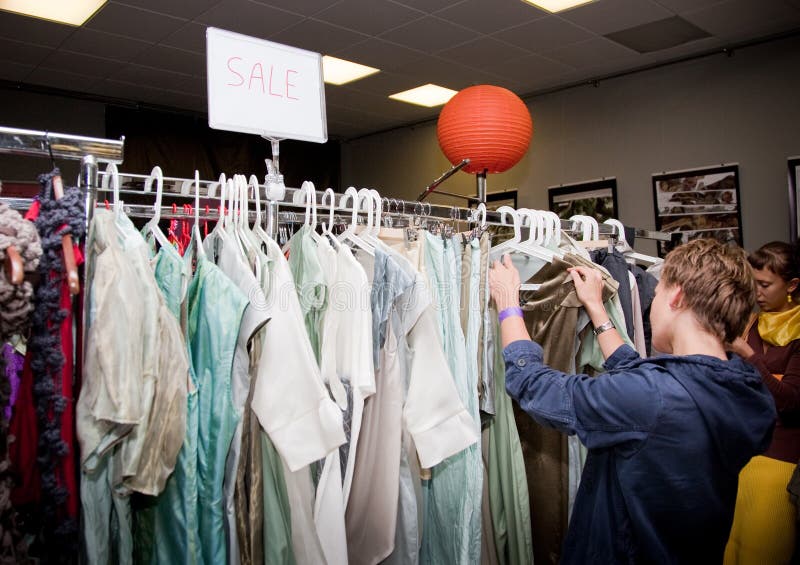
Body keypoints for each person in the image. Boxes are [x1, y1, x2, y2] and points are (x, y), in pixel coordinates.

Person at [489, 238, 776, 564]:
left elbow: (533, 385)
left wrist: (508, 304)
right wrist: (597, 309)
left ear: (677, 297)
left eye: (658, 293)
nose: (654, 303)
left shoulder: (653, 396)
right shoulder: (745, 391)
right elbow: (637, 376)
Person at [725, 241, 800, 565]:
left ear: (792, 285)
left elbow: (790, 402)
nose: (756, 292)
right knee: (729, 551)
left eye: (765, 285)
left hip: (780, 464)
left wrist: (748, 356)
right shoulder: (751, 323)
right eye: (753, 283)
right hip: (741, 457)